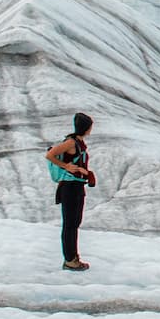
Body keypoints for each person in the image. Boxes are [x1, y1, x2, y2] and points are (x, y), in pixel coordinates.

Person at [47, 112, 97, 270]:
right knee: (70, 224)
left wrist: (84, 172)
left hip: (77, 185)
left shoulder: (78, 142)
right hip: (69, 187)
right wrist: (66, 166)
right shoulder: (71, 143)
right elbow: (50, 155)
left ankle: (73, 257)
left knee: (74, 223)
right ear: (86, 128)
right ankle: (69, 260)